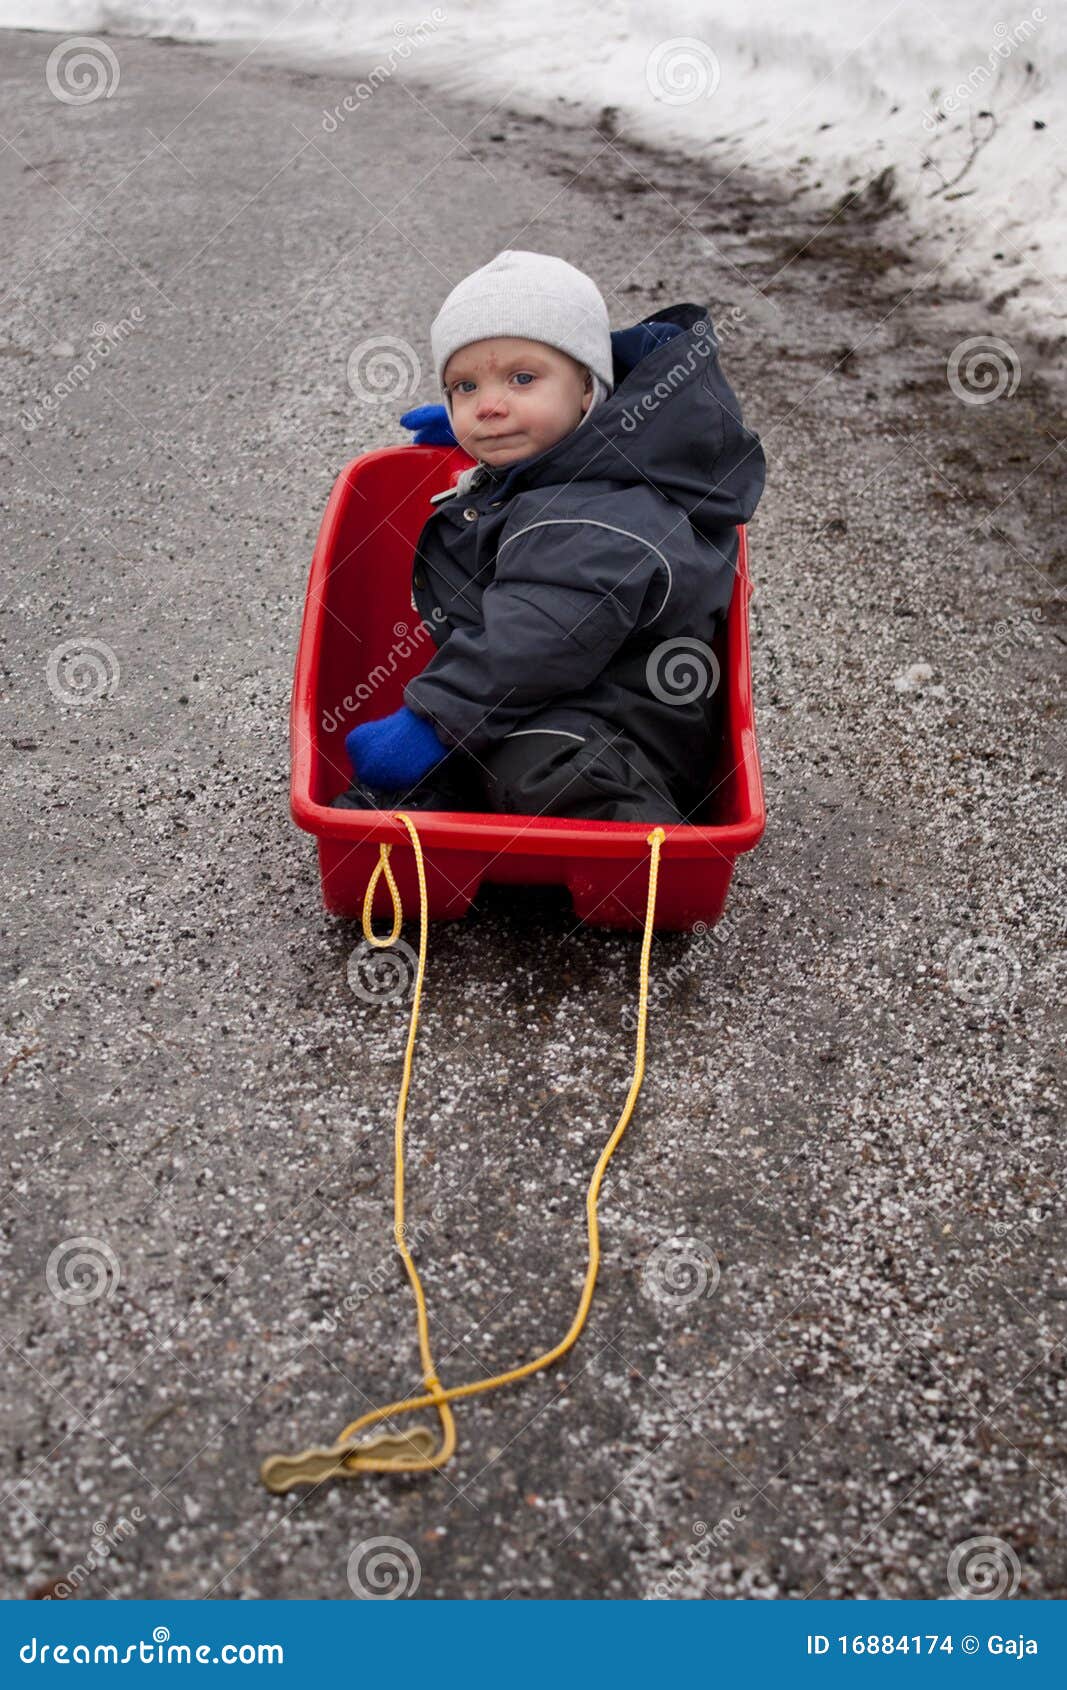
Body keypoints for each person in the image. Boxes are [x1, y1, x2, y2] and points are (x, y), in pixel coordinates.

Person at [332, 249, 766, 824]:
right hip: (556, 697)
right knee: (459, 765)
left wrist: (428, 723)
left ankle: (639, 844)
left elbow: (531, 643)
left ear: (589, 391)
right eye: (464, 387)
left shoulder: (596, 514)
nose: (488, 406)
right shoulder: (579, 463)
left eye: (522, 378)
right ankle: (431, 807)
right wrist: (505, 447)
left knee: (535, 768)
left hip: (621, 731)